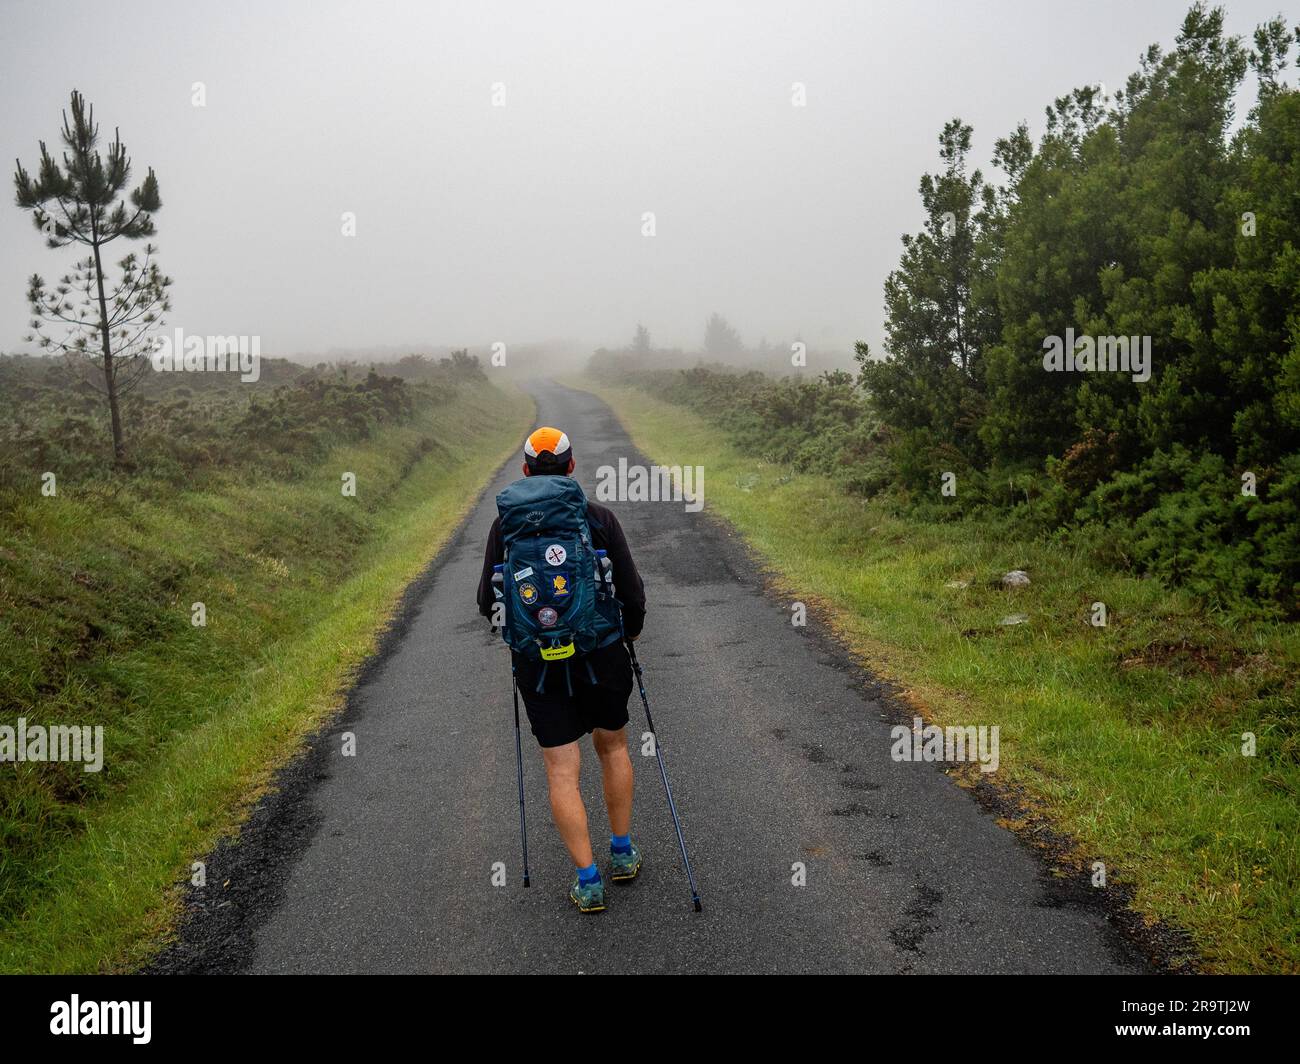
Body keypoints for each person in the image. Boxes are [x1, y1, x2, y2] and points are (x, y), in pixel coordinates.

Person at [477, 426, 647, 913]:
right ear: (572, 467)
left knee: (560, 768)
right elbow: (632, 593)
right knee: (612, 745)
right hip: (602, 653)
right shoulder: (599, 519)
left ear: (526, 469)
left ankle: (588, 882)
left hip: (539, 664)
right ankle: (622, 853)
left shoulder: (504, 527)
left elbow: (486, 602)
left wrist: (521, 636)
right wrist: (629, 633)